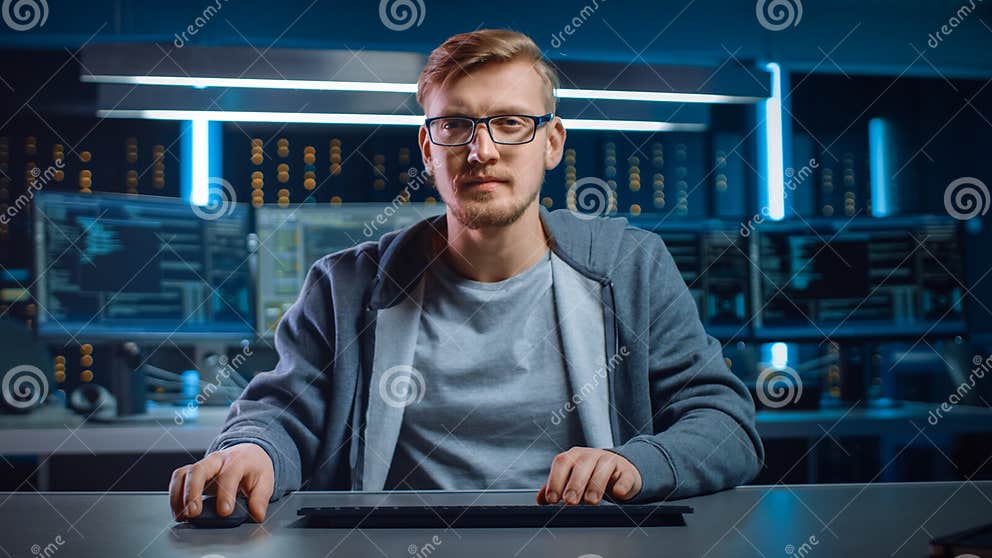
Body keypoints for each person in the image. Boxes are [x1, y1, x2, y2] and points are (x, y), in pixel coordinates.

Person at [169, 28, 764, 524]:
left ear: (552, 142)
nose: (482, 151)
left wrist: (637, 463)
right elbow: (280, 414)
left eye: (511, 122)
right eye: (455, 126)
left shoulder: (632, 266)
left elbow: (724, 424)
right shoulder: (344, 285)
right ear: (429, 149)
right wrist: (252, 451)